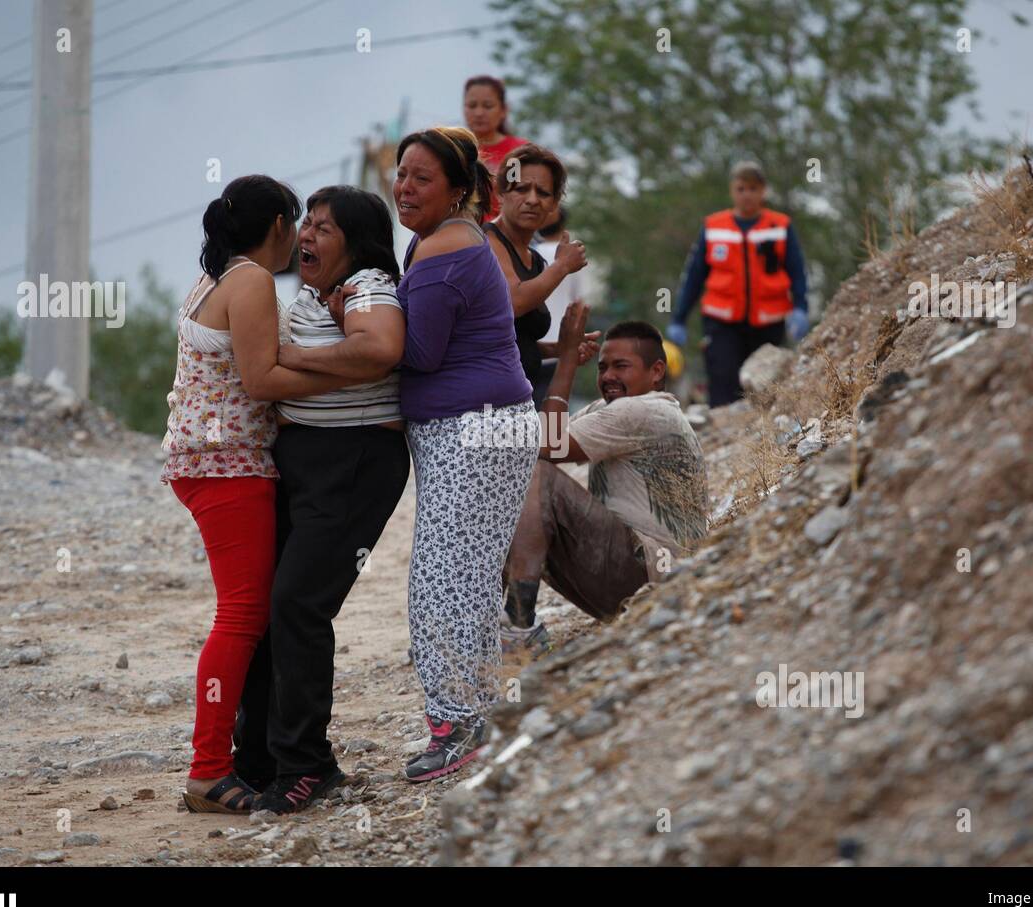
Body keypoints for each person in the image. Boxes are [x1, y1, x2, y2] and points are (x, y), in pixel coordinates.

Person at [162, 175, 359, 814]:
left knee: (249, 614)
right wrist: (360, 374)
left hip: (212, 464)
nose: (302, 236)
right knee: (243, 617)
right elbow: (262, 377)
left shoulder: (218, 276)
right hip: (228, 467)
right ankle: (208, 771)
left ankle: (235, 759)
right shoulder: (248, 280)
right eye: (298, 223)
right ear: (278, 224)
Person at [233, 185, 410, 815]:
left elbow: (381, 348)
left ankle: (308, 766)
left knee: (299, 605)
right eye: (307, 223)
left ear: (357, 244)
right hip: (299, 459)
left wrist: (296, 357)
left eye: (325, 228)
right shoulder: (308, 295)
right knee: (265, 607)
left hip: (354, 461)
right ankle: (254, 762)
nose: (306, 235)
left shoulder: (367, 286)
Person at [392, 126, 540, 781]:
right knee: (470, 582)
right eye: (400, 173)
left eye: (421, 177)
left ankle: (456, 727)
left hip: (472, 431)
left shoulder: (441, 251)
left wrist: (345, 322)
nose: (404, 185)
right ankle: (476, 716)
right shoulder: (446, 239)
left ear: (457, 191)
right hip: (490, 425)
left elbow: (419, 353)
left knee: (437, 588)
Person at [502, 318, 710, 652]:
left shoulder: (644, 411)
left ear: (656, 372)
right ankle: (476, 624)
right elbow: (533, 440)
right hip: (629, 577)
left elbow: (547, 446)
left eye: (621, 367)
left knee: (534, 476)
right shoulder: (613, 409)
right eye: (602, 368)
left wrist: (566, 361)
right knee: (513, 482)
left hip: (654, 580)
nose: (608, 376)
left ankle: (517, 625)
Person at [668, 160, 810, 406]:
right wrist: (679, 319)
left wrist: (801, 308)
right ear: (732, 190)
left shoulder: (780, 226)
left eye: (753, 189)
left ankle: (761, 442)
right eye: (741, 188)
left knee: (765, 388)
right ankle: (723, 440)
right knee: (723, 384)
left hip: (768, 322)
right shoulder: (714, 227)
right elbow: (694, 276)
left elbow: (798, 271)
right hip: (722, 322)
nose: (747, 195)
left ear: (763, 191)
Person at [483, 143, 588, 391]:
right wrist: (562, 266)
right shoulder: (486, 241)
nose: (532, 200)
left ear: (554, 204)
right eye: (521, 189)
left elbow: (518, 342)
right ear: (501, 193)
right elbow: (513, 302)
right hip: (485, 403)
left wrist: (560, 348)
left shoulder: (536, 259)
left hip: (520, 396)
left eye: (543, 193)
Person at [531, 202, 588, 404]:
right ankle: (552, 436)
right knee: (553, 403)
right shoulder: (574, 256)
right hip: (559, 344)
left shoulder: (528, 252)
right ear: (563, 226)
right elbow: (579, 304)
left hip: (530, 342)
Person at [463, 75, 528, 221]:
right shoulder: (455, 148)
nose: (479, 113)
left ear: (504, 110)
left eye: (488, 106)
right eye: (472, 106)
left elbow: (515, 195)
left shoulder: (517, 152)